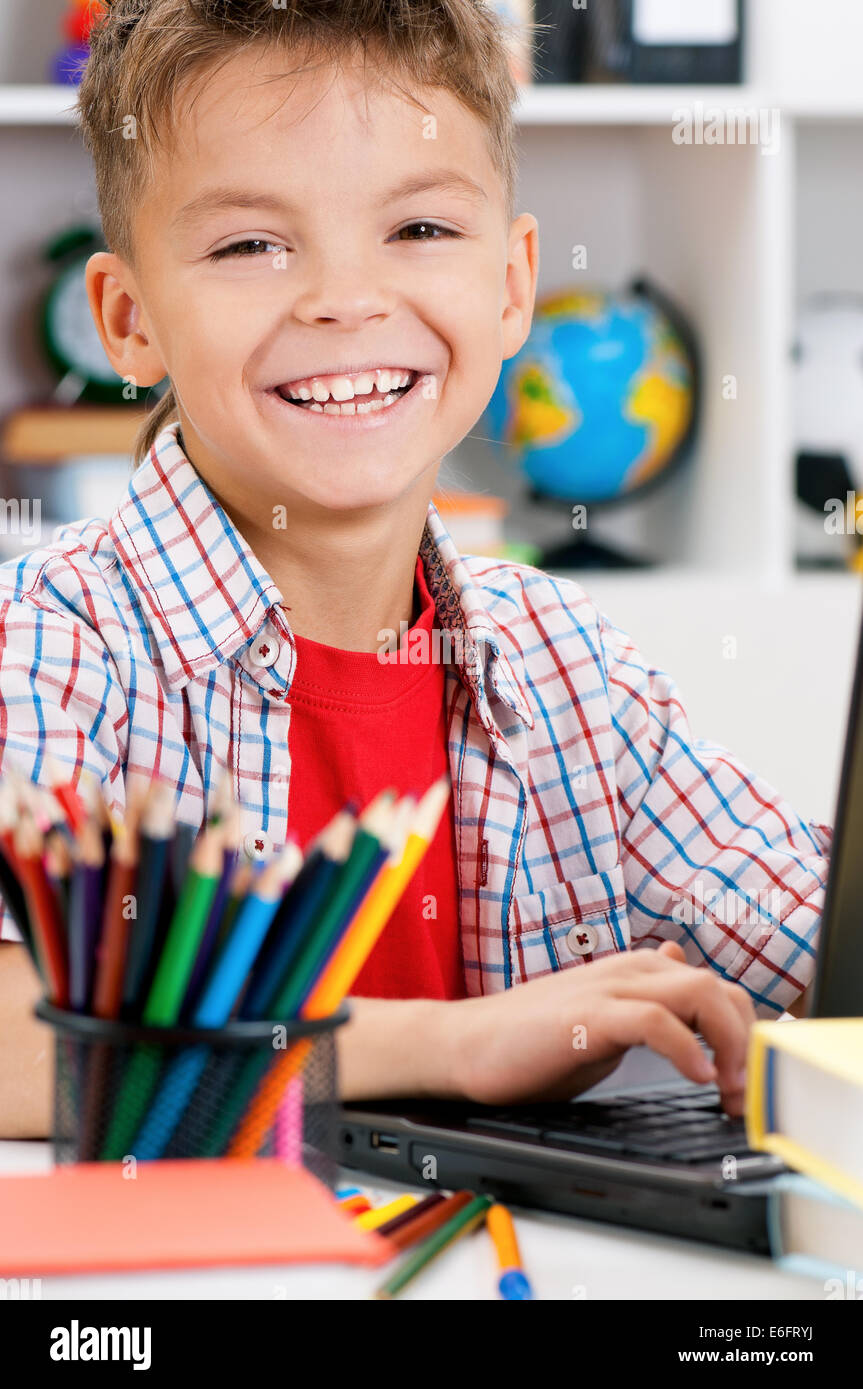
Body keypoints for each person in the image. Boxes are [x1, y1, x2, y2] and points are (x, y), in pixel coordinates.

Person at [0, 0, 830, 1136]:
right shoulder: (53, 642)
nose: (345, 299)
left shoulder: (563, 664)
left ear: (509, 284)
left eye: (420, 231)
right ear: (128, 320)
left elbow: (814, 934)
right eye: (250, 244)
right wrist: (447, 1045)